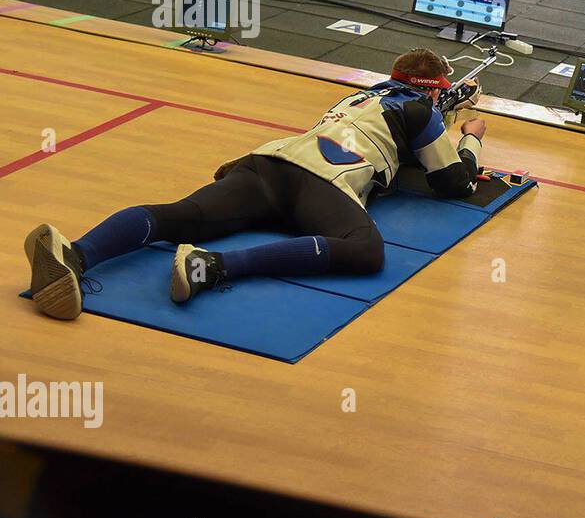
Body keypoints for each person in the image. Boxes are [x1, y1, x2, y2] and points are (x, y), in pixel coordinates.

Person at [24, 49, 486, 320]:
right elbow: (453, 184)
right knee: (366, 249)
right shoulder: (421, 111)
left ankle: (77, 253)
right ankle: (212, 267)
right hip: (323, 183)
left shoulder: (358, 96)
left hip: (267, 162)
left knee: (179, 215)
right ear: (431, 90)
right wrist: (468, 140)